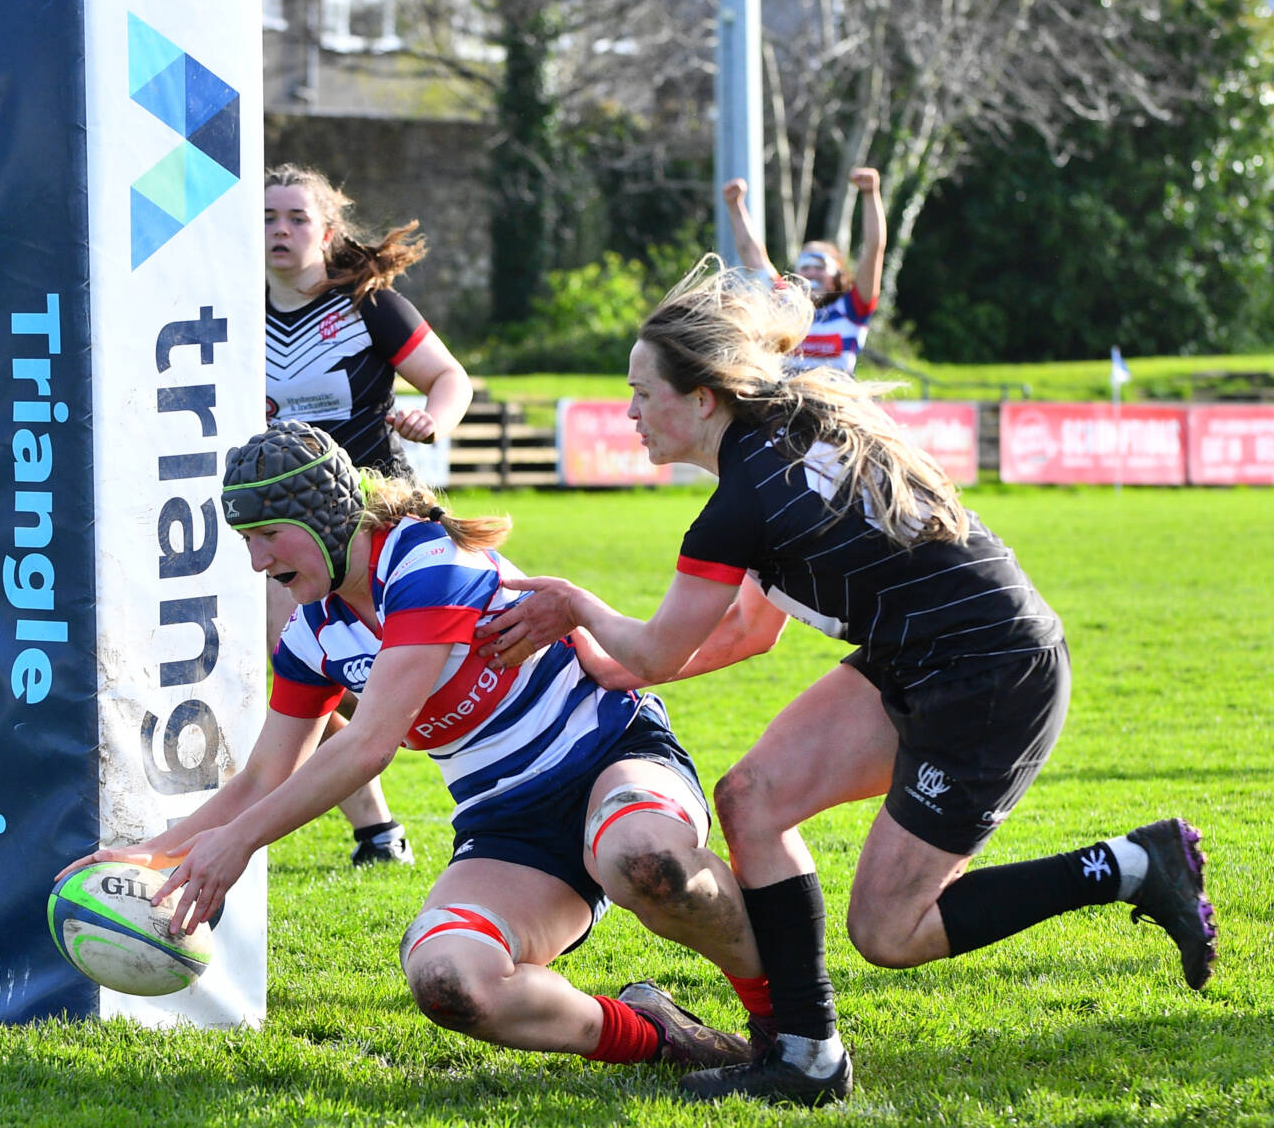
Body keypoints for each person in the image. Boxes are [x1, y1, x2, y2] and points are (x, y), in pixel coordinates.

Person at [476, 261, 1217, 1107]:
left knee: (890, 930)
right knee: (751, 797)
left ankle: (1129, 865)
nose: (631, 412)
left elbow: (654, 652)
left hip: (990, 678)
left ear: (705, 398)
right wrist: (611, 663)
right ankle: (806, 1054)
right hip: (926, 657)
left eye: (644, 393)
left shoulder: (741, 501)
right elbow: (750, 630)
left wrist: (576, 608)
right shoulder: (774, 433)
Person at [58, 420, 768, 1070]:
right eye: (245, 539)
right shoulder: (312, 636)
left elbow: (368, 745)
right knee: (450, 978)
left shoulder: (425, 559)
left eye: (267, 533)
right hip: (508, 826)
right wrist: (159, 850)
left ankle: (787, 1030)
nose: (254, 561)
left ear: (324, 513)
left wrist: (237, 844)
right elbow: (266, 774)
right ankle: (666, 1039)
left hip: (611, 753)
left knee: (640, 855)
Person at [262, 163, 475, 867]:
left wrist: (433, 419)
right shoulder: (230, 312)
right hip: (287, 524)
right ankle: (377, 830)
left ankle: (483, 769)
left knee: (446, 667)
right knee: (301, 665)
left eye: (296, 218)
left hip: (379, 512)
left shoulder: (366, 303)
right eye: (267, 218)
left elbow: (450, 377)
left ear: (326, 231)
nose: (281, 230)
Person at [722, 168, 885, 375]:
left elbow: (873, 250)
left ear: (837, 275)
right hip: (786, 405)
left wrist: (871, 193)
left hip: (834, 404)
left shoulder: (853, 307)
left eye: (820, 267)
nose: (811, 274)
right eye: (805, 268)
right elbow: (751, 254)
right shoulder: (784, 303)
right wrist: (735, 206)